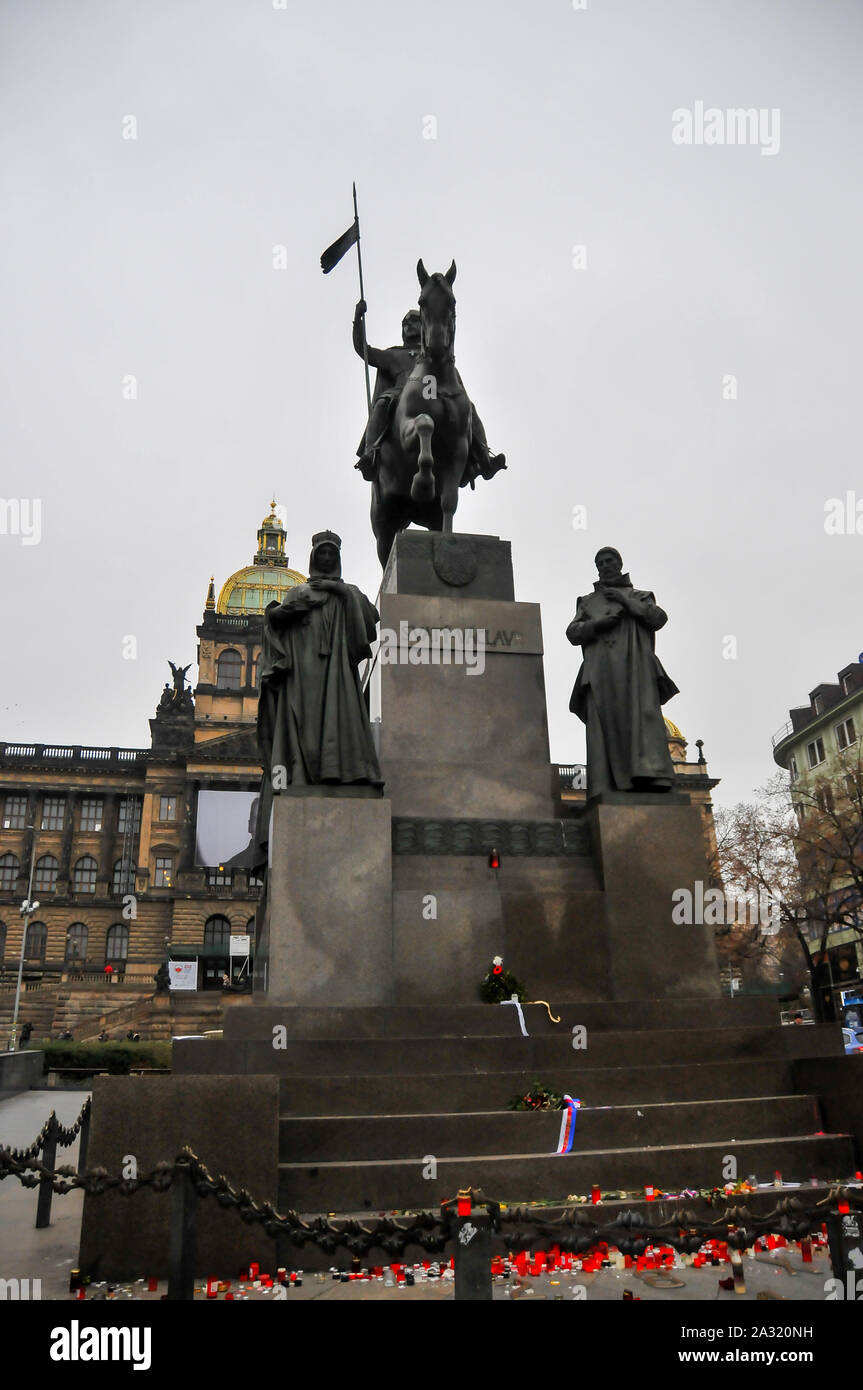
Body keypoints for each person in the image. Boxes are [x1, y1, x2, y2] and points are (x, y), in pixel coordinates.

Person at [253, 531, 383, 865]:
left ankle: (338, 773)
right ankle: (303, 773)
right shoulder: (297, 590)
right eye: (321, 554)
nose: (326, 559)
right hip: (303, 673)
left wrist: (342, 591)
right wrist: (278, 616)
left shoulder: (347, 593)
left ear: (336, 559)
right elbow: (274, 626)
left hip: (336, 673)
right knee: (304, 724)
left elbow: (370, 621)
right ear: (313, 557)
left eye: (331, 555)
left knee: (337, 723)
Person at [566, 547, 679, 799]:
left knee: (642, 721)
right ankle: (608, 784)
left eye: (609, 561)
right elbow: (572, 633)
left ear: (619, 563)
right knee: (604, 726)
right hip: (601, 673)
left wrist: (626, 603)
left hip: (635, 669)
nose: (605, 565)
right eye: (600, 563)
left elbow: (658, 619)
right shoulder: (587, 602)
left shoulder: (641, 596)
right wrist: (597, 625)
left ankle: (650, 777)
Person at [352, 300, 505, 486]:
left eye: (413, 321)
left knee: (469, 407)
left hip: (434, 395)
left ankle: (484, 458)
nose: (408, 325)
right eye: (405, 323)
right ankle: (370, 455)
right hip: (400, 395)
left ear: (423, 326)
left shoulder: (436, 357)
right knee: (383, 403)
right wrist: (358, 319)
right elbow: (364, 350)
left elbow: (453, 381)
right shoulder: (394, 355)